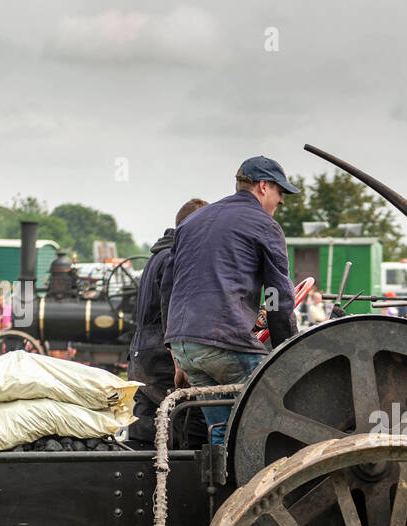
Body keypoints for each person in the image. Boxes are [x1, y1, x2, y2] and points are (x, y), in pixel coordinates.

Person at [162, 156, 300, 444]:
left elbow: (169, 288)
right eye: (280, 194)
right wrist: (288, 350)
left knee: (224, 433)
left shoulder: (192, 221)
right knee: (280, 420)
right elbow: (277, 294)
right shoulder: (264, 225)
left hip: (185, 348)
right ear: (263, 186)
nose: (281, 203)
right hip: (224, 343)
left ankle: (220, 487)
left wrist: (177, 354)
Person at [126, 197, 211, 449]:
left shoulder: (156, 257)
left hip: (142, 353)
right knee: (190, 419)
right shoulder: (174, 259)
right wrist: (180, 360)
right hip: (164, 358)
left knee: (147, 424)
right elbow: (172, 311)